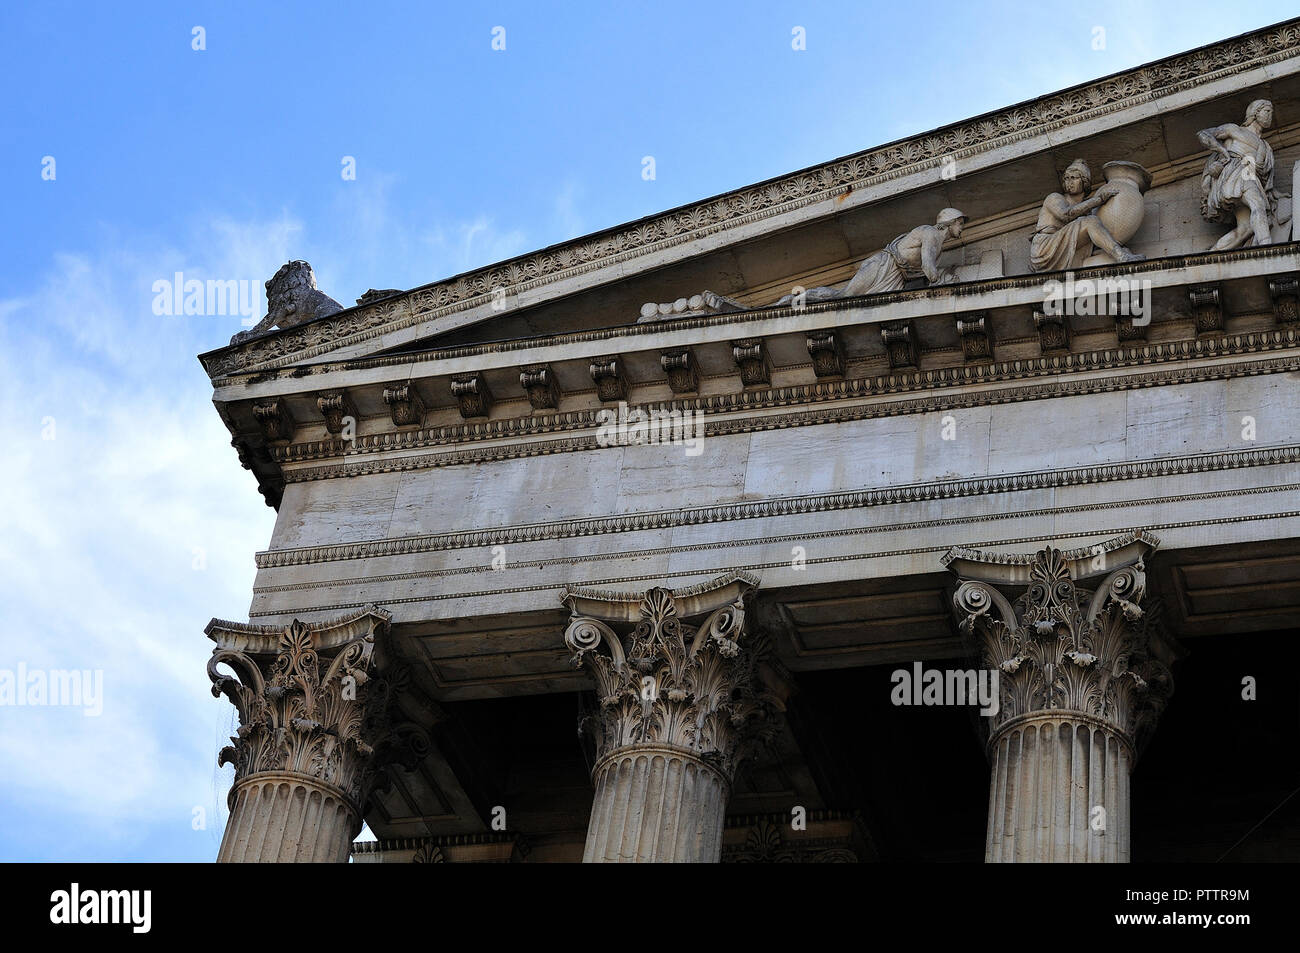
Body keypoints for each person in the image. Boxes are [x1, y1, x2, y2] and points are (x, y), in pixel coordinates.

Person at [1198, 99, 1285, 249]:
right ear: (1255, 113)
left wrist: (1277, 195)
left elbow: (1265, 180)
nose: (1270, 116)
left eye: (1271, 112)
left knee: (1247, 228)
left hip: (1249, 175)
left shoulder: (1265, 146)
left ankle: (1212, 254)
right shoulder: (1235, 130)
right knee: (1258, 205)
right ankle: (1267, 249)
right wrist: (1222, 151)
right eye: (1267, 111)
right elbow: (1203, 134)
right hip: (1239, 172)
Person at [1029, 159, 1142, 272]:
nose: (1069, 182)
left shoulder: (1085, 208)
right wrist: (1099, 200)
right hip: (1045, 248)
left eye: (1074, 178)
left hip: (1064, 246)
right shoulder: (1054, 198)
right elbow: (1066, 214)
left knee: (1093, 229)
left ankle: (1118, 253)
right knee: (1090, 221)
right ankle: (1122, 257)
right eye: (1066, 178)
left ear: (1084, 181)